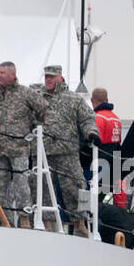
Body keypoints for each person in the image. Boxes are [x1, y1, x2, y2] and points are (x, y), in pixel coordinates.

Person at [0, 61, 46, 226]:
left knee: (21, 184)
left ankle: (24, 219)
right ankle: (5, 220)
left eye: (2, 72)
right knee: (0, 186)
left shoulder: (26, 93)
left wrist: (37, 129)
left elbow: (46, 110)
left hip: (18, 149)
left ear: (12, 74)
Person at [39, 66, 99, 236]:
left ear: (60, 77)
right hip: (44, 153)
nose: (48, 80)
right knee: (42, 188)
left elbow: (87, 118)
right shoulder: (38, 98)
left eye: (52, 77)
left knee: (76, 186)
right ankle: (47, 223)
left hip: (67, 152)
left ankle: (80, 223)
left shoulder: (74, 99)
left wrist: (91, 133)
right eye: (46, 77)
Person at [90, 87, 127, 210]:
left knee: (96, 199)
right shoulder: (116, 118)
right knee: (113, 191)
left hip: (101, 163)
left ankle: (93, 222)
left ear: (92, 100)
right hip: (114, 162)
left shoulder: (98, 117)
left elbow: (96, 141)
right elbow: (118, 142)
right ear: (107, 100)